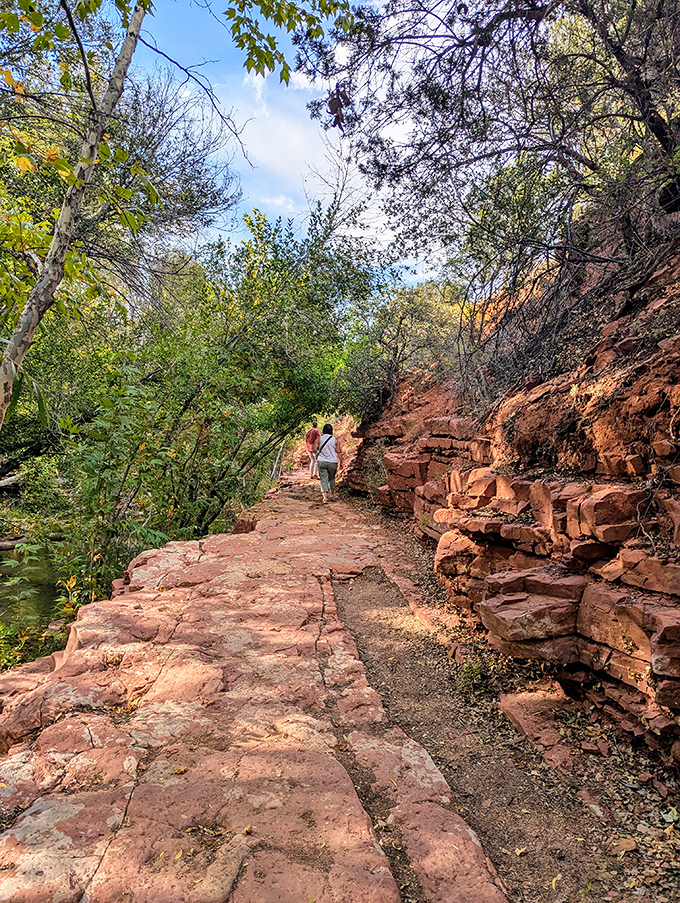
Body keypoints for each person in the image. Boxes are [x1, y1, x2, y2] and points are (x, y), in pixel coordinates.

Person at [313, 422, 345, 503]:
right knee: (332, 478)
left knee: (323, 479)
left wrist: (318, 450)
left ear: (323, 430)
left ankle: (325, 498)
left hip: (322, 461)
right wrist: (341, 462)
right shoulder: (335, 440)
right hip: (332, 462)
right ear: (331, 431)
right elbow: (338, 451)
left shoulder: (319, 439)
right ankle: (332, 495)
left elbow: (314, 450)